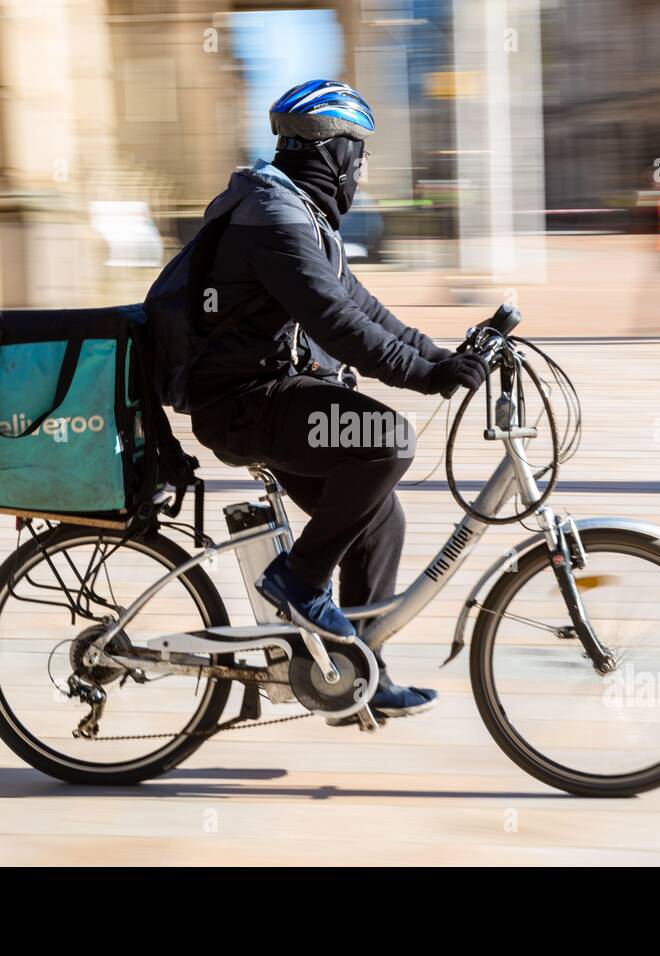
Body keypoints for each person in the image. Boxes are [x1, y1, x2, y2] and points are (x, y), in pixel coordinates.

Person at [187, 80, 486, 718]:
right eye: (359, 152)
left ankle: (353, 673)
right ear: (333, 153)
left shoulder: (299, 213)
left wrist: (444, 357)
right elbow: (334, 324)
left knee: (381, 522)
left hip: (276, 397)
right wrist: (424, 378)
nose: (363, 168)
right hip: (245, 404)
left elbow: (367, 310)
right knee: (387, 440)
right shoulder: (272, 219)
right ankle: (297, 581)